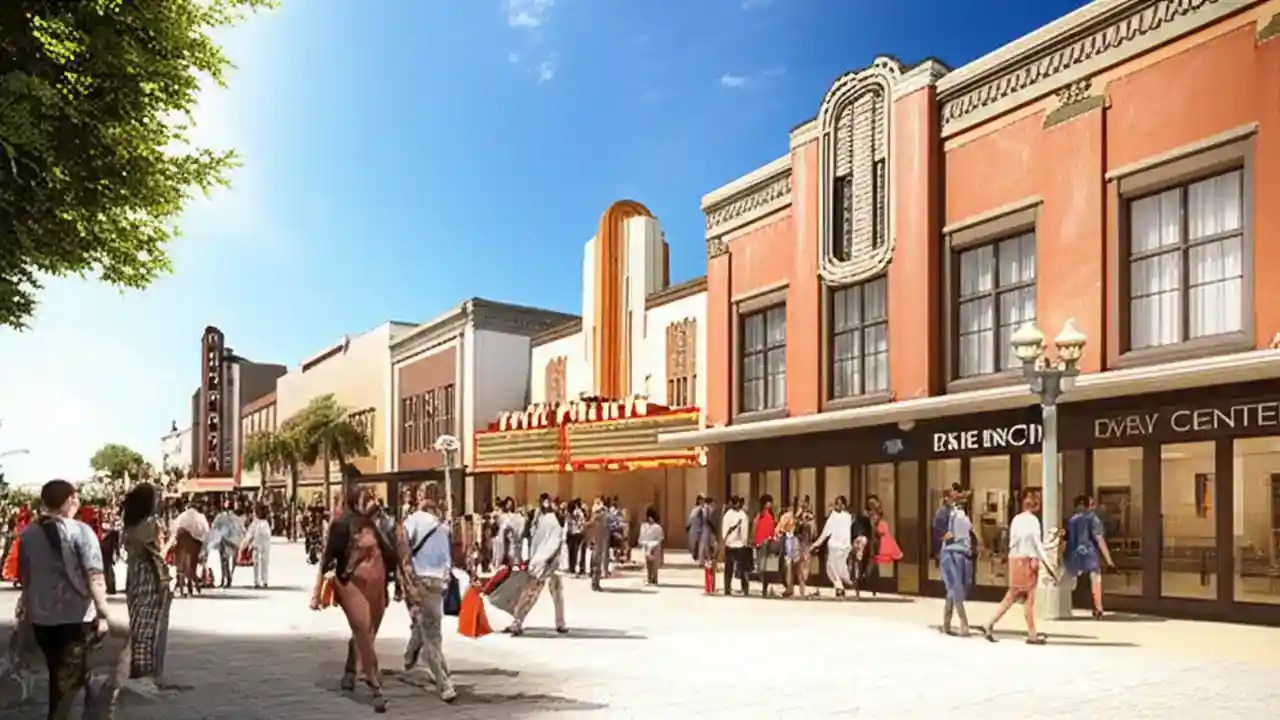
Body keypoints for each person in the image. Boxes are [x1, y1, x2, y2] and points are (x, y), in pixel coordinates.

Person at [17, 480, 111, 719]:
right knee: (65, 687)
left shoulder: (28, 533)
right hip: (75, 617)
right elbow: (95, 575)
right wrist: (104, 613)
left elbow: (25, 576)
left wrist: (25, 610)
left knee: (60, 675)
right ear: (69, 500)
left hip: (41, 619)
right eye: (76, 498)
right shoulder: (81, 531)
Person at [311, 472, 399, 713]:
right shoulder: (340, 526)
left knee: (367, 632)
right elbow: (327, 560)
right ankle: (375, 686)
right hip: (350, 584)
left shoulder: (373, 525)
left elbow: (392, 555)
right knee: (362, 628)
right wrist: (317, 591)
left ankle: (350, 671)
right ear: (356, 501)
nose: (373, 501)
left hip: (377, 587)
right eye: (367, 497)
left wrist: (400, 583)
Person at [980, 488, 1059, 645]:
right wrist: (1049, 566)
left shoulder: (1016, 520)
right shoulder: (1034, 521)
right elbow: (1036, 545)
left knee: (1013, 595)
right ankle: (1030, 634)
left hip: (1015, 560)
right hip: (1028, 561)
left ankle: (992, 624)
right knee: (1028, 598)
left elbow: (1013, 543)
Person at [400, 496, 456, 703]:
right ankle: (413, 655)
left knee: (428, 634)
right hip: (438, 583)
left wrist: (406, 581)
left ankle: (444, 684)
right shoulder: (443, 528)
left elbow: (403, 549)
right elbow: (449, 561)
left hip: (421, 580)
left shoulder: (412, 520)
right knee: (433, 630)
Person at [120, 483, 172, 695]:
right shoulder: (150, 525)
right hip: (150, 576)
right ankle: (145, 673)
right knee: (150, 626)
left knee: (138, 623)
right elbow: (156, 553)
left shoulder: (130, 524)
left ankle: (138, 670)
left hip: (134, 576)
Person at [506, 494, 568, 636]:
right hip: (542, 561)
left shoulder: (553, 518)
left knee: (552, 592)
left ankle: (560, 623)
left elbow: (557, 538)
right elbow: (527, 537)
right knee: (531, 593)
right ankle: (518, 621)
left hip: (550, 561)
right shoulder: (536, 518)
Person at [937, 484, 980, 636]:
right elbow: (937, 529)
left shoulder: (962, 512)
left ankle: (946, 624)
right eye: (957, 495)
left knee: (957, 588)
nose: (961, 498)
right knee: (956, 587)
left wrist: (979, 542)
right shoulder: (944, 511)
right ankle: (964, 622)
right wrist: (944, 536)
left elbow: (970, 529)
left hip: (963, 552)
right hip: (950, 553)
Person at [1065, 494, 1117, 620]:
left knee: (1068, 579)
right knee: (1095, 579)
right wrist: (1110, 561)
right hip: (1090, 553)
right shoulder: (1093, 519)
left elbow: (1067, 539)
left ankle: (1064, 604)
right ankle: (1098, 608)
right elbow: (1099, 539)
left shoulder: (1071, 520)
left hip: (1073, 553)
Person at [164, 499, 209, 598]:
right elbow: (205, 532)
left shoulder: (182, 516)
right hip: (194, 543)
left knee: (181, 567)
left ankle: (182, 589)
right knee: (191, 566)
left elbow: (174, 529)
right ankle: (191, 587)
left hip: (181, 542)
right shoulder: (201, 517)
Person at [812, 496, 853, 599]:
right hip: (844, 547)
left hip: (836, 546)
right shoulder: (848, 517)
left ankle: (840, 586)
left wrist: (816, 544)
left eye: (839, 503)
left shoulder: (835, 516)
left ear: (843, 505)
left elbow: (826, 532)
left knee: (832, 568)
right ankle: (844, 583)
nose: (837, 506)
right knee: (840, 567)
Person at [209, 500, 245, 589]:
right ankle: (228, 579)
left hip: (223, 541)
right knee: (231, 562)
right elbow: (242, 530)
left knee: (223, 562)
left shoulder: (220, 517)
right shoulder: (237, 518)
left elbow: (214, 527)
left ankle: (224, 579)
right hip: (234, 542)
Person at [721, 496, 750, 596]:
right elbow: (744, 531)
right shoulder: (741, 515)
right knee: (735, 569)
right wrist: (744, 542)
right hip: (736, 545)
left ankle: (732, 589)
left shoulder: (730, 515)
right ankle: (733, 589)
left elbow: (725, 531)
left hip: (735, 545)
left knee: (738, 569)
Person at [240, 504, 273, 589]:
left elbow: (249, 535)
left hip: (257, 546)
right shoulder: (266, 523)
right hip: (265, 546)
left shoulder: (256, 523)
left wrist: (243, 545)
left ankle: (257, 581)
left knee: (257, 564)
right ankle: (264, 581)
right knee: (264, 563)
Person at [752, 495, 778, 598]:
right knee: (761, 566)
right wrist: (754, 540)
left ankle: (765, 588)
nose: (771, 504)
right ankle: (764, 585)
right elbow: (755, 527)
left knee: (768, 567)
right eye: (769, 502)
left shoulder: (771, 515)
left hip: (769, 542)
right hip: (761, 542)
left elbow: (772, 528)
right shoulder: (760, 515)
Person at [2, 503, 32, 586]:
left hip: (23, 540)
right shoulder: (20, 518)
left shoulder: (26, 517)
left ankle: (22, 577)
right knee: (18, 559)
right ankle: (20, 577)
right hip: (21, 540)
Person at [638, 507, 665, 585]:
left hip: (655, 546)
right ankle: (650, 578)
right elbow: (641, 537)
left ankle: (654, 578)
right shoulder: (645, 526)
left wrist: (653, 544)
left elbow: (660, 538)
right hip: (648, 546)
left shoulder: (657, 527)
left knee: (654, 563)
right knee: (649, 563)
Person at [565, 498, 587, 576]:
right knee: (571, 552)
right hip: (572, 534)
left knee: (574, 551)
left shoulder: (578, 513)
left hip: (576, 534)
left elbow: (581, 523)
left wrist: (578, 529)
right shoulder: (569, 513)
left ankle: (573, 568)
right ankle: (571, 567)